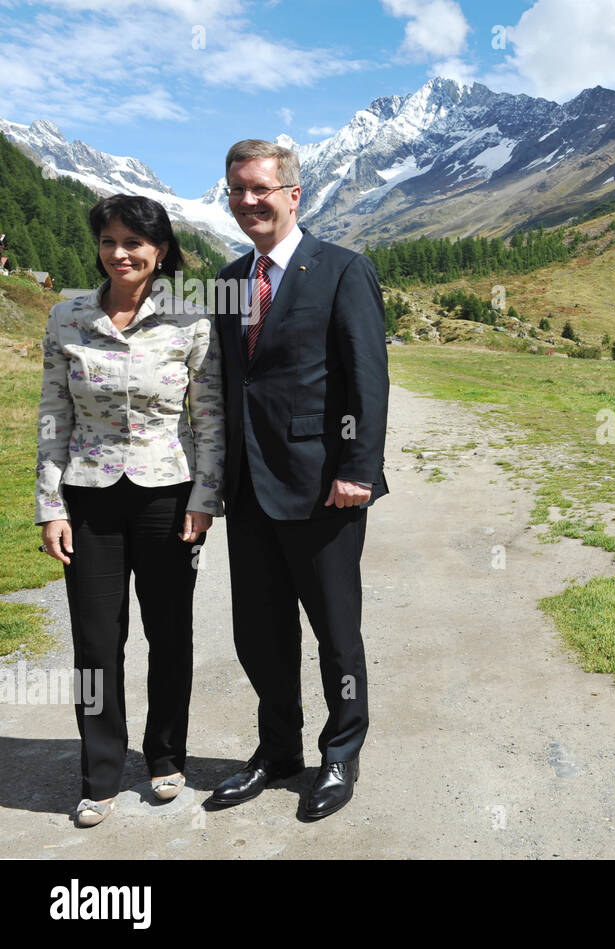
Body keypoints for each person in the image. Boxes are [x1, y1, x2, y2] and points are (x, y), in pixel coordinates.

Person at [208, 139, 388, 821]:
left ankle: (340, 751)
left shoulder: (343, 270)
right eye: (236, 189)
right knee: (259, 632)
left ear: (293, 195)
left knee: (336, 631)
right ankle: (277, 749)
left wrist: (358, 469)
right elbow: (228, 383)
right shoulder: (229, 278)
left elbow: (368, 376)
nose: (248, 201)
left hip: (324, 489)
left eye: (260, 188)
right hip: (249, 490)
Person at [36, 194, 224, 827]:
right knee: (95, 641)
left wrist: (204, 499)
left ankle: (166, 755)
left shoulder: (192, 320)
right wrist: (49, 506)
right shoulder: (66, 317)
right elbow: (53, 416)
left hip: (167, 497)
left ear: (160, 250)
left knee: (169, 634)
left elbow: (209, 421)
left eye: (134, 242)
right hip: (88, 499)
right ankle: (101, 772)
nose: (121, 253)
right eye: (110, 241)